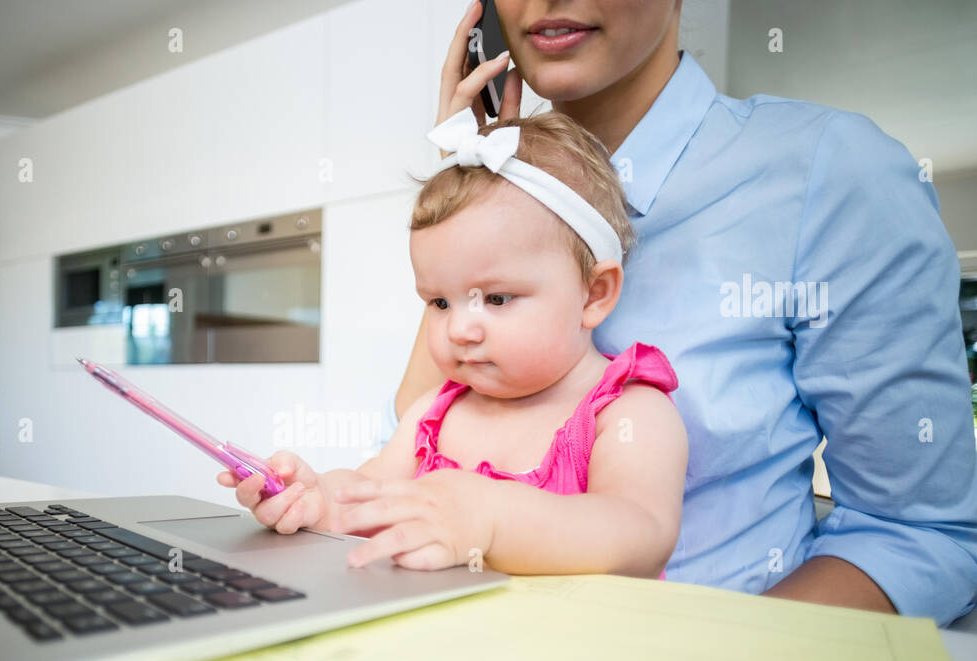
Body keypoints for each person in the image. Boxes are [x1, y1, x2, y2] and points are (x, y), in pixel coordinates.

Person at [377, 0, 976, 623]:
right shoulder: (494, 180)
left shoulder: (834, 172)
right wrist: (469, 204)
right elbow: (421, 427)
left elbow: (922, 536)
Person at [219, 107, 687, 577]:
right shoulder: (434, 415)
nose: (459, 329)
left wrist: (492, 520)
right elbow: (368, 496)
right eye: (439, 303)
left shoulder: (625, 412)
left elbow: (642, 534)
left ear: (595, 293)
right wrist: (314, 500)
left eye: (498, 298)